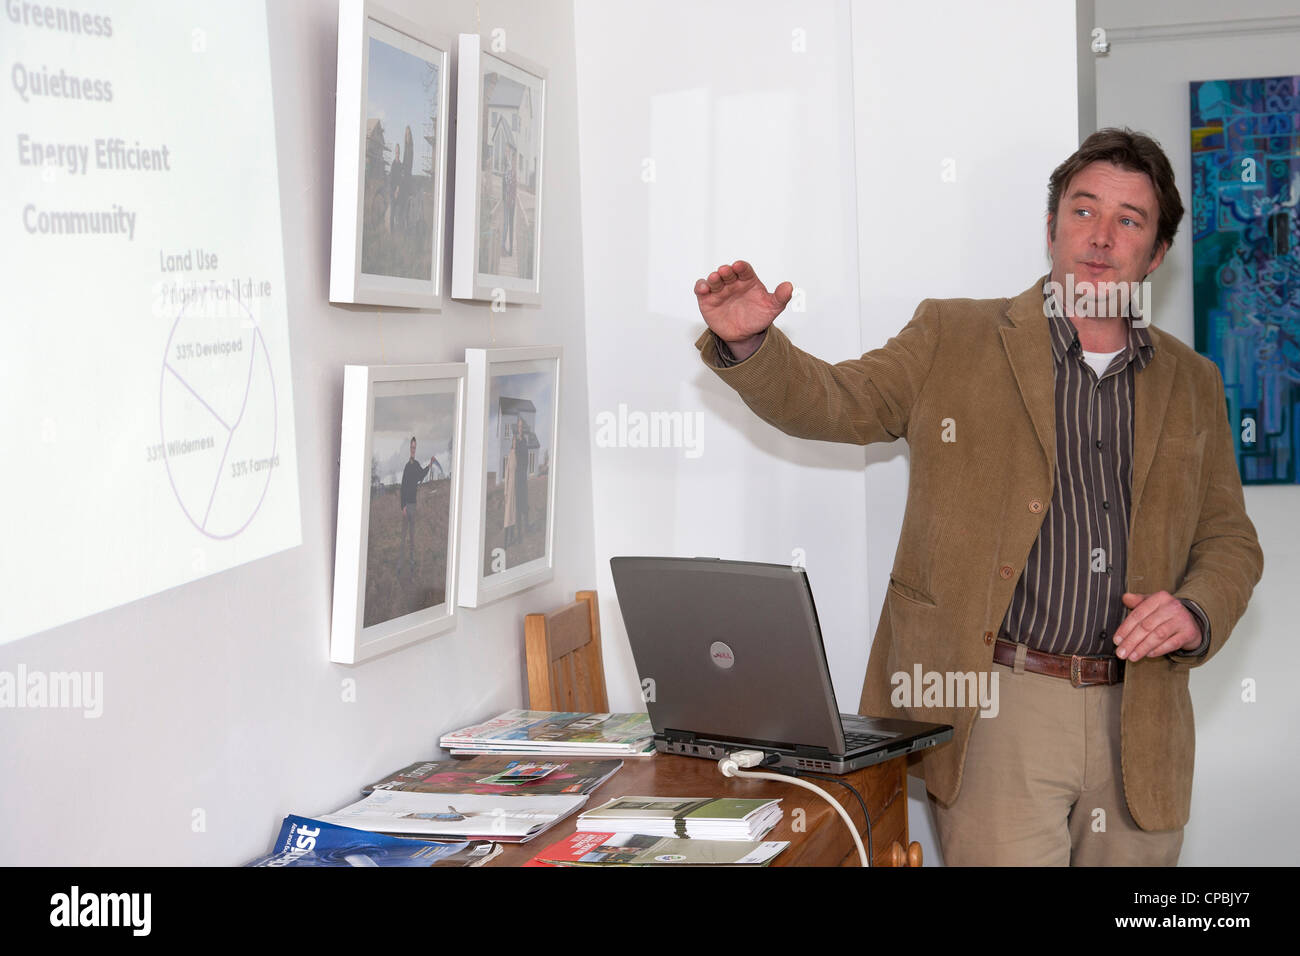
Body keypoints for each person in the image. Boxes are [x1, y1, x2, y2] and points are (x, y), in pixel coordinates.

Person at [692, 127, 1263, 866]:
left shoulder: (1193, 382)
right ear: (1052, 226)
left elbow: (1230, 539)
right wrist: (753, 347)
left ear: (1155, 255)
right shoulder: (953, 335)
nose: (1099, 236)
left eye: (1129, 220)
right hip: (999, 706)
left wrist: (1195, 609)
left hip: (1143, 718)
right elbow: (836, 402)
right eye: (1083, 211)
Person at [400, 437, 435, 572]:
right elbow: (403, 487)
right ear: (409, 449)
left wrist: (430, 464)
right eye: (411, 447)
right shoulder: (407, 466)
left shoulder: (416, 465)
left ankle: (412, 562)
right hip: (406, 507)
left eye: (415, 447)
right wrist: (402, 506)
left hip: (413, 506)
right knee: (403, 536)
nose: (413, 449)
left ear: (416, 449)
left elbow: (421, 475)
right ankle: (400, 564)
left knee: (412, 536)